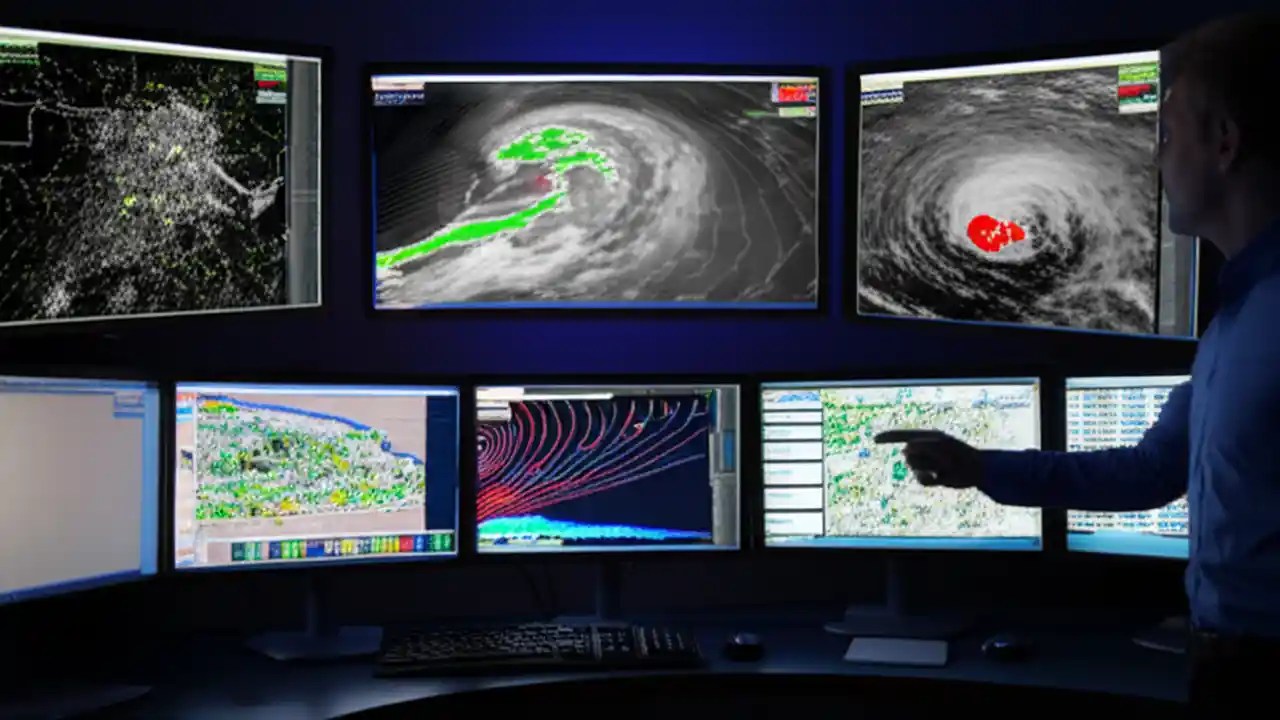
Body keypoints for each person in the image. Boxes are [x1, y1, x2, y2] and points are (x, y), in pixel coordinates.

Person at [875, 11, 1280, 717]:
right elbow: (1151, 470)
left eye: (1165, 135)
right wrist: (982, 469)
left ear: (1223, 143)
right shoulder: (1234, 321)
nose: (1155, 161)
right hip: (1224, 665)